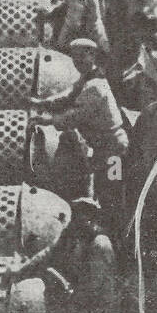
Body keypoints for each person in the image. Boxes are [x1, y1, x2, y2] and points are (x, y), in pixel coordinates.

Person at [30, 38, 127, 209]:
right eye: (75, 58)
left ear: (93, 56)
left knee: (113, 187)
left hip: (114, 147)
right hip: (102, 146)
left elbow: (75, 115)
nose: (77, 62)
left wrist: (49, 120)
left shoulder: (95, 86)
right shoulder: (85, 80)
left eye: (82, 57)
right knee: (102, 186)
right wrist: (42, 103)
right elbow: (67, 96)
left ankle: (114, 227)